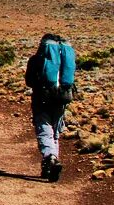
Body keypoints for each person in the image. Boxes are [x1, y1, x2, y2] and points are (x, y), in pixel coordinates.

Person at [24, 33, 76, 182]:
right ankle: (50, 165)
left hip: (42, 98)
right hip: (62, 98)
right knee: (55, 131)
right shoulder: (64, 61)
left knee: (44, 128)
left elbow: (29, 81)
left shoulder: (37, 59)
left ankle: (50, 157)